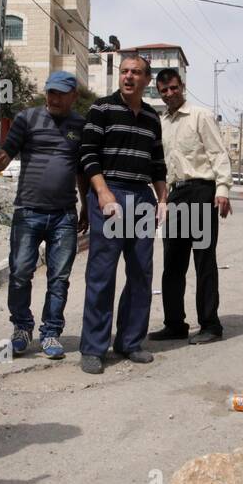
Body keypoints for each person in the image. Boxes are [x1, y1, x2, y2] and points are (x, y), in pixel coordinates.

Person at [0, 71, 88, 360]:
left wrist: (87, 206)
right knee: (19, 273)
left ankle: (51, 332)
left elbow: (82, 170)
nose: (53, 98)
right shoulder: (27, 118)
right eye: (50, 91)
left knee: (59, 278)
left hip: (64, 214)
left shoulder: (81, 125)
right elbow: (7, 152)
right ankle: (21, 328)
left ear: (73, 96)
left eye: (61, 93)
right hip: (28, 211)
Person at [78, 55, 168, 374]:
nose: (128, 77)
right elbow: (88, 155)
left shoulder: (151, 118)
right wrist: (103, 194)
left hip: (142, 194)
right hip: (111, 191)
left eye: (136, 73)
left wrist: (162, 199)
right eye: (125, 71)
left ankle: (130, 342)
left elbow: (157, 163)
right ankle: (93, 347)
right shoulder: (101, 109)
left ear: (146, 80)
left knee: (141, 272)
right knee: (102, 272)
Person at [151, 68, 233, 344]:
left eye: (174, 88)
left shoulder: (200, 116)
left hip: (201, 191)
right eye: (164, 90)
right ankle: (175, 323)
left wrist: (222, 189)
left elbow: (218, 153)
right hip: (175, 196)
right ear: (159, 93)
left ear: (182, 86)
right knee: (172, 263)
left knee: (203, 261)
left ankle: (210, 325)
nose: (170, 94)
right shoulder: (161, 123)